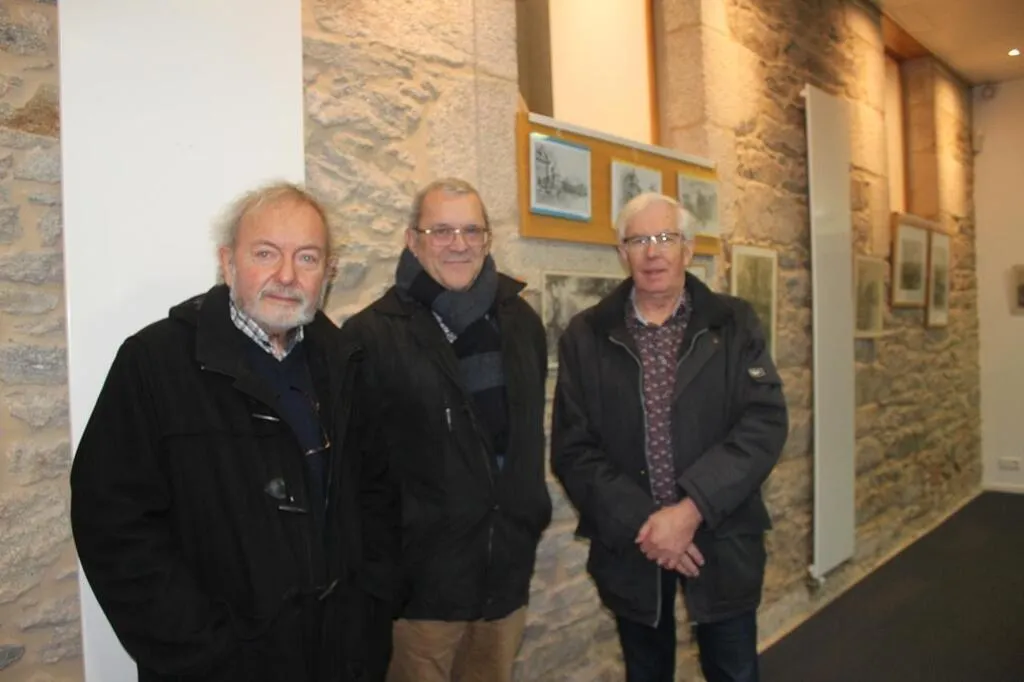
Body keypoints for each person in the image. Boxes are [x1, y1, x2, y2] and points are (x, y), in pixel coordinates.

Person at [70, 182, 397, 682]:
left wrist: (371, 608)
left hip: (340, 659)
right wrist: (202, 648)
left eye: (307, 258)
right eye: (266, 253)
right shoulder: (154, 364)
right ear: (227, 263)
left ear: (327, 275)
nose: (286, 275)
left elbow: (380, 496)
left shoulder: (347, 364)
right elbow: (113, 523)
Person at [551, 193, 788, 682]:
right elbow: (574, 450)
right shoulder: (586, 335)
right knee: (645, 672)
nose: (652, 252)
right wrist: (652, 526)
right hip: (634, 543)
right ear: (622, 253)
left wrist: (690, 510)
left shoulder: (734, 322)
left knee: (734, 669)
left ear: (688, 249)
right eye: (639, 240)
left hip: (721, 536)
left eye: (665, 238)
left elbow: (763, 424)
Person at [340, 178, 551, 682]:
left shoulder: (522, 323)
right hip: (421, 593)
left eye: (471, 230)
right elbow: (355, 474)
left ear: (487, 239)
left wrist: (527, 515)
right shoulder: (370, 336)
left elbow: (524, 439)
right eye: (441, 230)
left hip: (505, 576)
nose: (458, 244)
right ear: (412, 240)